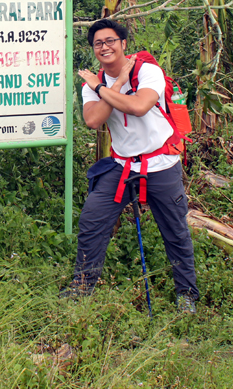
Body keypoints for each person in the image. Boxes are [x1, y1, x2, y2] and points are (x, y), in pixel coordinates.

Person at [61, 18, 199, 312]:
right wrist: (115, 84)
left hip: (160, 163)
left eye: (110, 40)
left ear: (123, 44)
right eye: (98, 43)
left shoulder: (148, 71)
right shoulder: (93, 83)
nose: (104, 47)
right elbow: (93, 120)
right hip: (122, 165)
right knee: (91, 221)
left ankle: (186, 293)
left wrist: (104, 88)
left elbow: (138, 106)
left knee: (174, 230)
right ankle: (82, 287)